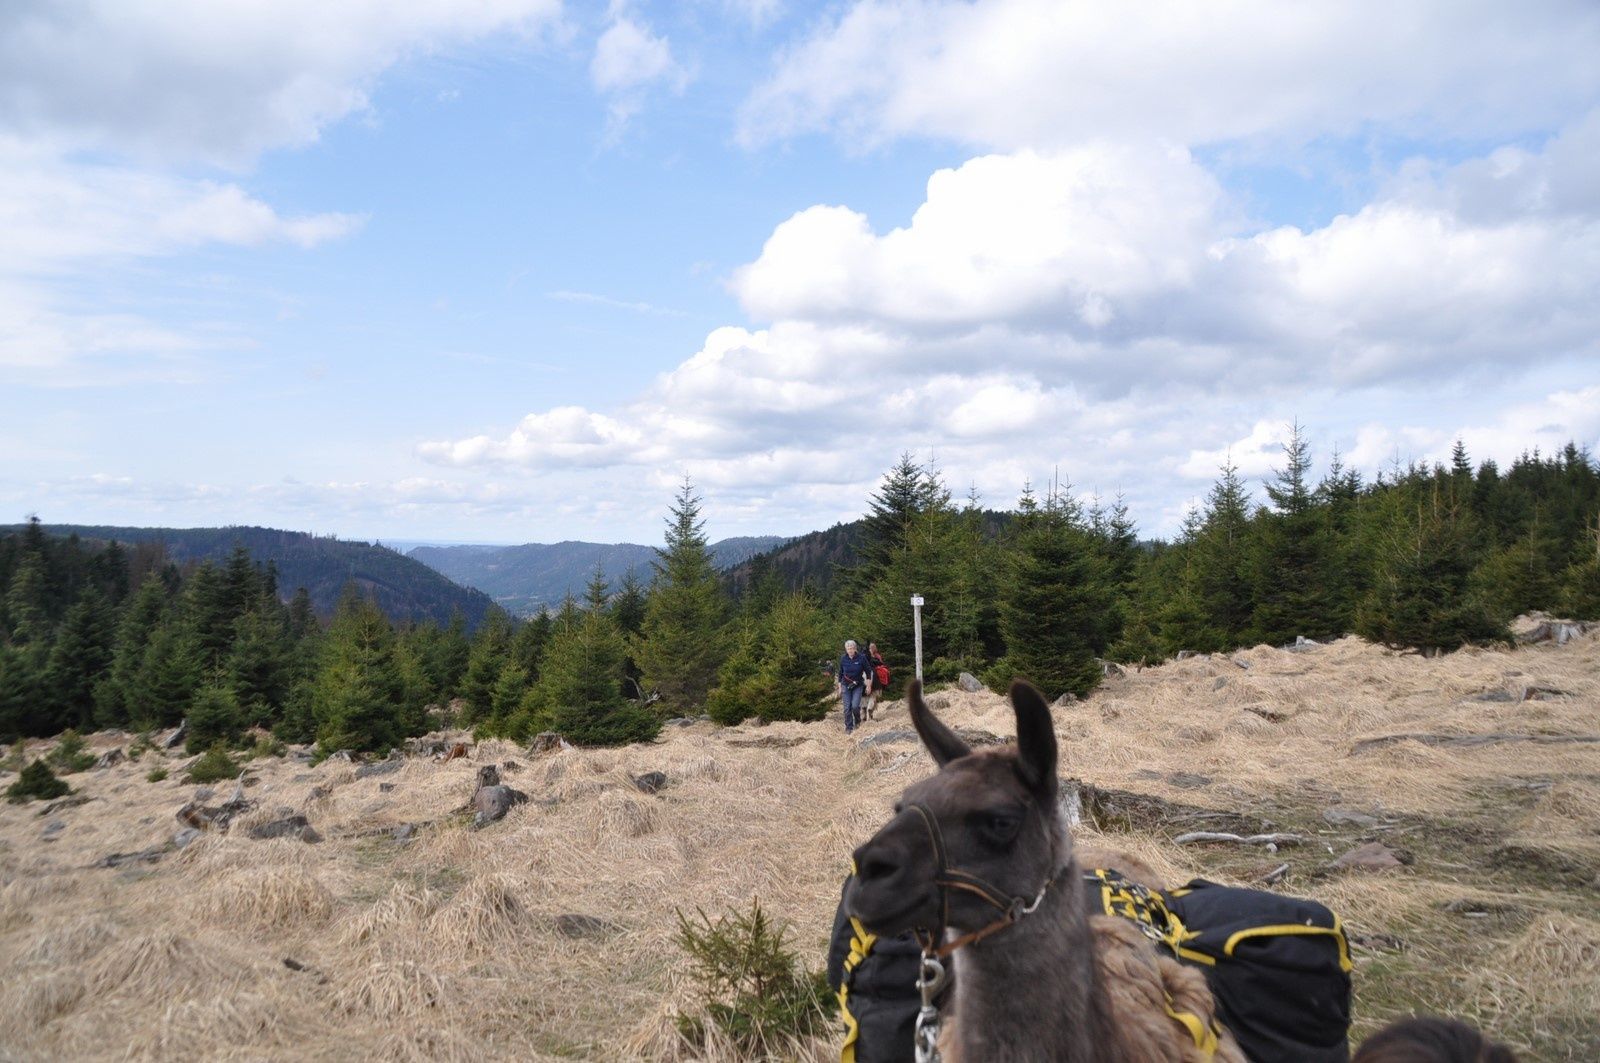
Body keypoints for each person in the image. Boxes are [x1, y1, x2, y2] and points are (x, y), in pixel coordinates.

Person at [836, 640, 871, 734]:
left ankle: (858, 721)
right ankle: (849, 727)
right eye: (848, 649)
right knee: (847, 707)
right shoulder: (843, 658)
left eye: (851, 648)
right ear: (846, 650)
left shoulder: (861, 658)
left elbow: (868, 672)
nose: (850, 650)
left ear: (855, 649)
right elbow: (840, 674)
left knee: (855, 706)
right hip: (845, 685)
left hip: (857, 685)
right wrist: (839, 687)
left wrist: (868, 686)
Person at [863, 642, 887, 721]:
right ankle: (869, 713)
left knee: (864, 696)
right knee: (873, 696)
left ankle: (865, 714)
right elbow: (881, 664)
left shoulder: (862, 656)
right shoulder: (876, 657)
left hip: (865, 678)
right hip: (875, 679)